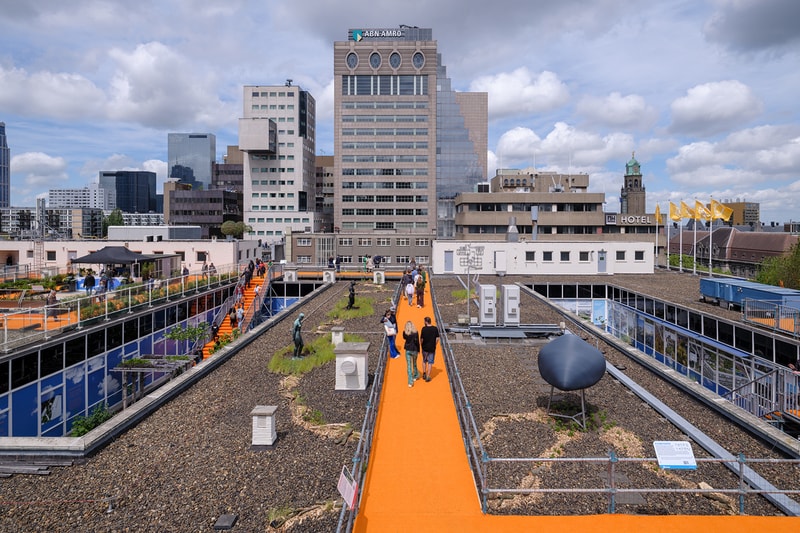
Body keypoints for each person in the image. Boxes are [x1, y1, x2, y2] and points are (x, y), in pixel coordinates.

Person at [420, 316, 440, 382]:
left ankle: (424, 373)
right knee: (430, 362)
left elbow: (421, 339)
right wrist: (434, 344)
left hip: (425, 348)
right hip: (432, 348)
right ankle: (428, 376)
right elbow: (437, 338)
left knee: (424, 360)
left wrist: (421, 345)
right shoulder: (435, 329)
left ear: (426, 322)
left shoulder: (423, 329)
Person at [402, 320, 421, 387]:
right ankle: (416, 375)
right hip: (415, 349)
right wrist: (419, 350)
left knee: (409, 366)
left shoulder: (405, 332)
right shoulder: (416, 333)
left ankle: (410, 382)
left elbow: (404, 338)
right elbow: (417, 342)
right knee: (415, 363)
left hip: (408, 350)